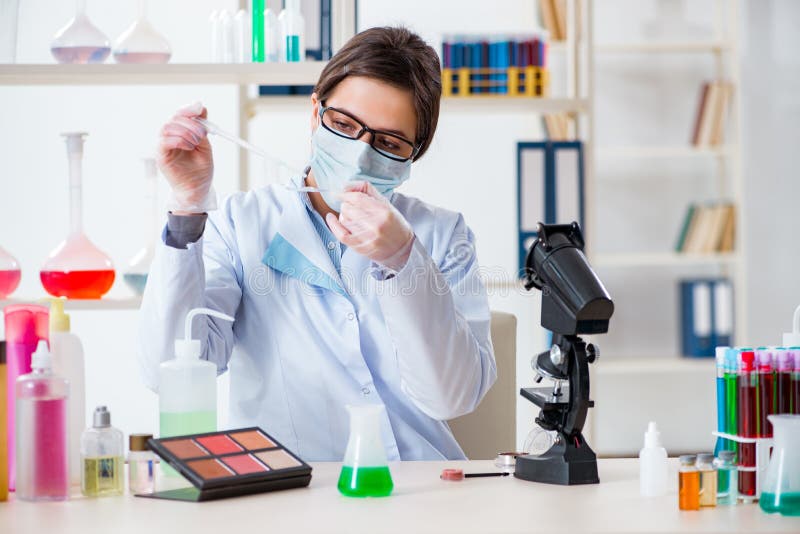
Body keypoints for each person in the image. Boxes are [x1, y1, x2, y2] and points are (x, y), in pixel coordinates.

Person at [138, 27, 496, 461]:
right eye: (343, 124)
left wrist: (403, 259)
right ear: (315, 111)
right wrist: (187, 207)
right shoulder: (241, 223)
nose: (360, 155)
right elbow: (170, 366)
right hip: (290, 487)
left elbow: (451, 398)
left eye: (387, 142)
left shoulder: (441, 234)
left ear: (413, 153)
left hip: (417, 482)